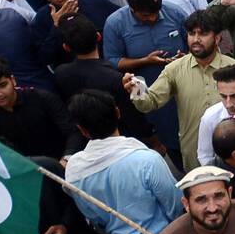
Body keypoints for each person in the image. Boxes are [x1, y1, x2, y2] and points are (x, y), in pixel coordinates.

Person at [65, 90, 183, 234]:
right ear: (118, 113)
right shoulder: (145, 160)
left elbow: (93, 217)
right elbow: (175, 206)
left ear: (82, 129)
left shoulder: (75, 171)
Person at [123, 9, 235, 171]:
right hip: (194, 156)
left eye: (203, 34)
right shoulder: (174, 69)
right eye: (192, 33)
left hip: (234, 153)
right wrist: (136, 90)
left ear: (217, 38)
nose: (196, 39)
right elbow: (150, 102)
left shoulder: (234, 68)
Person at [102, 0, 189, 164]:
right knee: (169, 140)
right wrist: (145, 61)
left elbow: (195, 44)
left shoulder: (175, 13)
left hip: (183, 87)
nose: (153, 18)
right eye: (146, 16)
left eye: (156, 13)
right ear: (132, 9)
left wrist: (185, 57)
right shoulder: (115, 23)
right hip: (144, 91)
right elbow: (112, 61)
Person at [53, 15, 159, 148]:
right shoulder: (117, 78)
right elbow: (136, 116)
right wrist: (152, 137)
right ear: (98, 37)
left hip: (88, 142)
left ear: (66, 47)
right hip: (123, 140)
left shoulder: (60, 73)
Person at [0, 56, 81, 160]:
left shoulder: (42, 98)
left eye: (2, 85)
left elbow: (73, 132)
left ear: (13, 80)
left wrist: (66, 160)